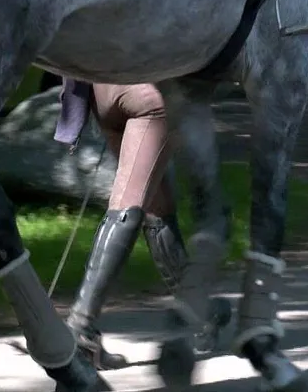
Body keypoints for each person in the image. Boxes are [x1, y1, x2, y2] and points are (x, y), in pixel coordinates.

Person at [57, 80, 231, 370]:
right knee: (130, 204)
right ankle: (81, 329)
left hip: (102, 93)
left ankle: (198, 313)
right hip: (147, 94)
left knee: (153, 207)